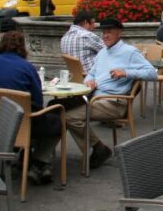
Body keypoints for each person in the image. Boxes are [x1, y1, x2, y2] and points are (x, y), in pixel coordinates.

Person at [66, 17, 156, 169]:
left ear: (119, 33)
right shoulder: (102, 52)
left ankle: (98, 148)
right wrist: (89, 81)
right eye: (103, 32)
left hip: (113, 102)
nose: (105, 36)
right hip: (95, 98)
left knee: (67, 116)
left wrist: (126, 72)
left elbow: (152, 73)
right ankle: (43, 159)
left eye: (109, 32)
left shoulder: (129, 51)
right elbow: (91, 73)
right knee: (56, 108)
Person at [0, 31, 62, 185]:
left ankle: (32, 160)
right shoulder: (27, 67)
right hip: (21, 126)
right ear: (23, 48)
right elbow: (38, 101)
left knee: (42, 118)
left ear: (1, 44)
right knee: (58, 120)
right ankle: (39, 162)